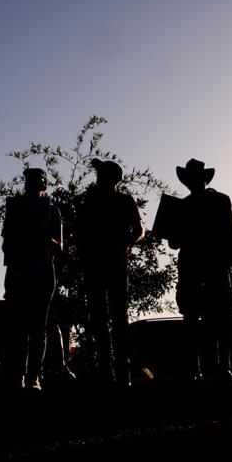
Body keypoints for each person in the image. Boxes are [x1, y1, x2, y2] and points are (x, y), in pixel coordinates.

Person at [165, 159, 232, 381]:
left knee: (199, 316)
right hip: (211, 263)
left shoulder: (184, 206)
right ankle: (219, 368)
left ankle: (200, 369)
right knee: (217, 315)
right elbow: (231, 229)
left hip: (197, 264)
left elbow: (173, 242)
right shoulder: (219, 200)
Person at [75, 159, 144, 385]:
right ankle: (107, 371)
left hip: (115, 264)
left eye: (102, 174)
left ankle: (120, 372)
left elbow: (139, 230)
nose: (98, 178)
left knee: (118, 316)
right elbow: (80, 232)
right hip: (96, 264)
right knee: (101, 318)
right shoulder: (90, 201)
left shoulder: (124, 201)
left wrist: (127, 241)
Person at [2, 168, 64, 390]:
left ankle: (33, 376)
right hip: (19, 270)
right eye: (29, 180)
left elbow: (60, 246)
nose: (32, 184)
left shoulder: (52, 210)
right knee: (18, 327)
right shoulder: (15, 208)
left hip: (43, 271)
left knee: (38, 327)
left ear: (44, 184)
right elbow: (6, 244)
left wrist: (45, 237)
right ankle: (17, 375)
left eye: (37, 180)